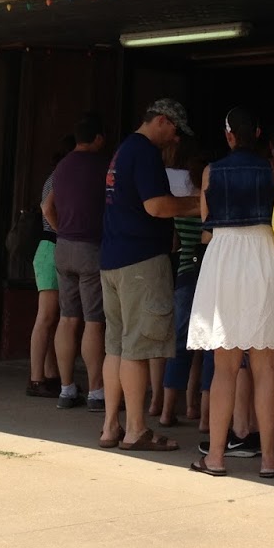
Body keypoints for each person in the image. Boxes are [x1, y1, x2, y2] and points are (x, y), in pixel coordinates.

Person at [188, 107, 274, 479]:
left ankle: (216, 458)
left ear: (229, 136)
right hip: (265, 257)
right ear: (257, 133)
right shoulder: (273, 170)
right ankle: (270, 460)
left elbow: (207, 222)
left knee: (225, 368)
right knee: (266, 367)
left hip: (223, 258)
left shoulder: (210, 172)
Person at [98, 99, 199, 452]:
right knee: (138, 349)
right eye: (174, 130)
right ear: (161, 121)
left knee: (116, 347)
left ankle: (111, 426)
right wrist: (199, 203)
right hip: (141, 263)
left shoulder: (122, 151)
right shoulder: (144, 153)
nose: (175, 139)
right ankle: (137, 429)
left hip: (112, 260)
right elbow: (156, 206)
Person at [45, 114, 110, 411]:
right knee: (94, 321)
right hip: (90, 248)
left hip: (64, 247)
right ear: (97, 138)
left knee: (68, 319)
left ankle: (66, 389)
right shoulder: (101, 165)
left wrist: (61, 229)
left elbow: (47, 206)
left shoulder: (62, 166)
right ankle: (97, 392)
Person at [159, 137, 208, 428]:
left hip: (185, 271)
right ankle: (201, 414)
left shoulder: (181, 201)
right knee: (212, 344)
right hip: (209, 271)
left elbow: (176, 241)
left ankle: (166, 410)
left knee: (179, 342)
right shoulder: (212, 199)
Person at [26, 145, 65, 398]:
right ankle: (36, 378)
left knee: (51, 319)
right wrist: (63, 231)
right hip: (51, 245)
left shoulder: (55, 177)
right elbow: (47, 208)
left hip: (49, 247)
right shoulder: (58, 179)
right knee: (46, 317)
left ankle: (49, 374)